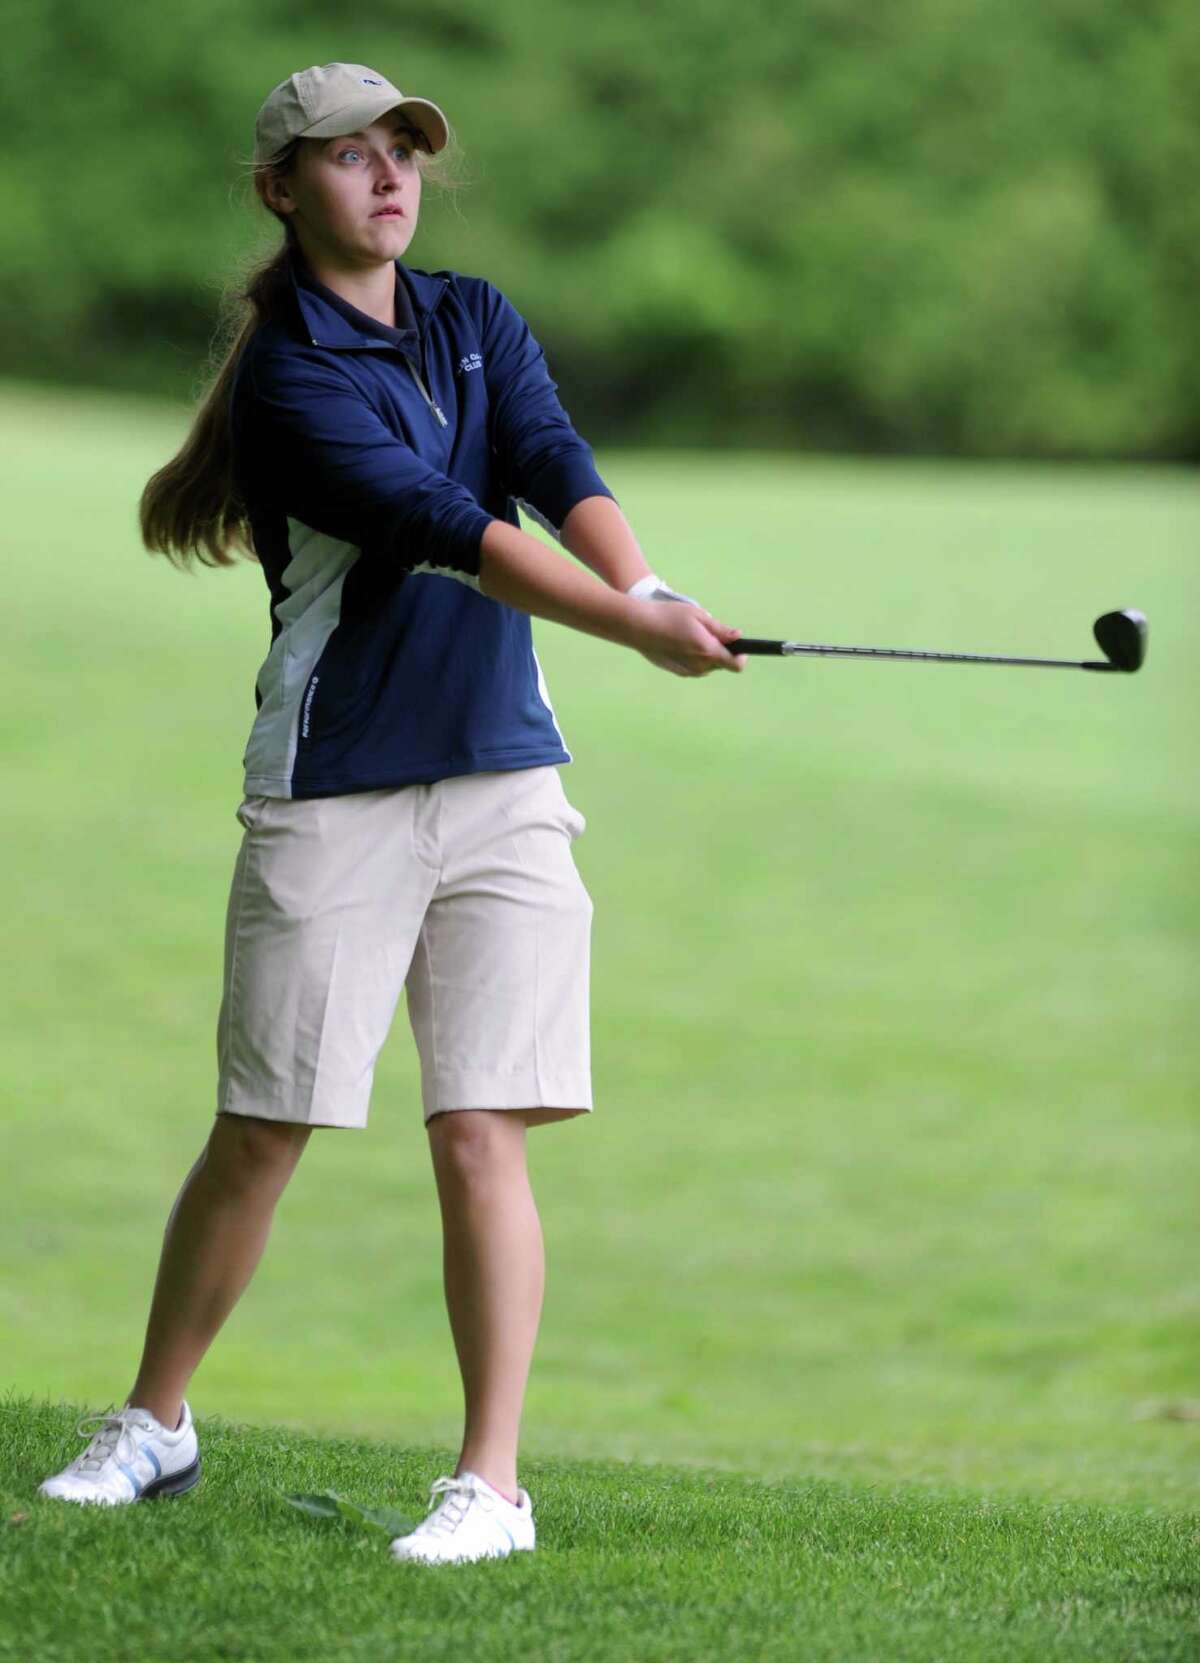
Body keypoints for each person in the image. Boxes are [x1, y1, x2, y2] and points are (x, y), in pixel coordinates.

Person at [36, 61, 747, 1565]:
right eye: (347, 159)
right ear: (282, 189)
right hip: (337, 783)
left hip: (502, 772)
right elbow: (450, 529)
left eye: (402, 153)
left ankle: (491, 1486)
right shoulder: (290, 378)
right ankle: (157, 1422)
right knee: (265, 1126)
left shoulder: (475, 317)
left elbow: (553, 464)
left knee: (483, 1125)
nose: (387, 178)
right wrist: (639, 634)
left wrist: (642, 583)